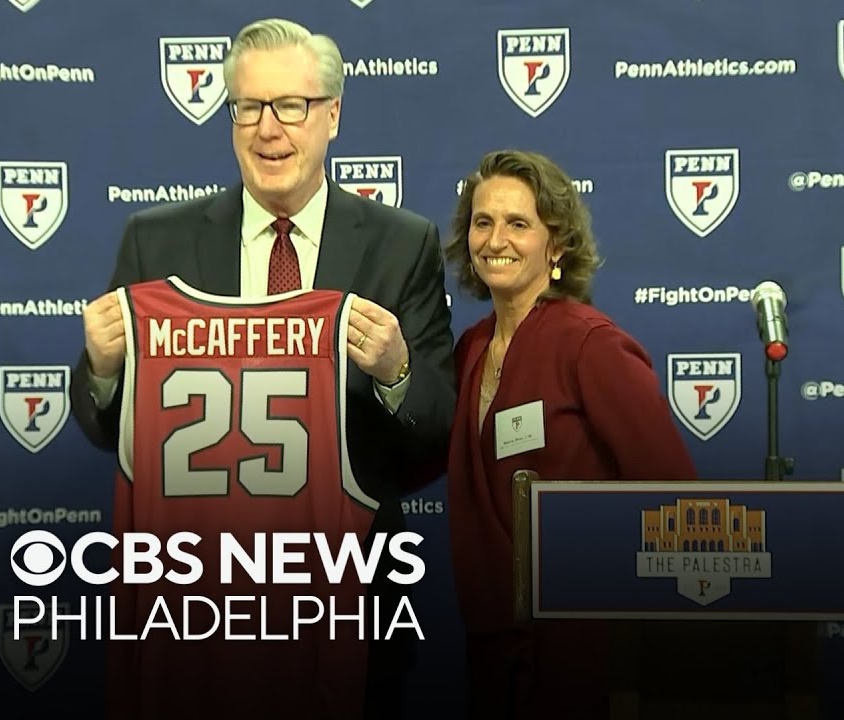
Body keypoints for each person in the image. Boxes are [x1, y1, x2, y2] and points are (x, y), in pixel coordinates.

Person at [67, 18, 456, 719]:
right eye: (248, 107)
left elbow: (437, 431)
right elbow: (105, 426)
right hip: (189, 607)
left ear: (332, 116)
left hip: (347, 605)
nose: (267, 128)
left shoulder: (403, 245)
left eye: (291, 106)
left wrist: (398, 371)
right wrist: (99, 369)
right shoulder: (156, 242)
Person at [444, 149, 697, 718]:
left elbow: (674, 490)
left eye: (518, 224)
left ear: (556, 245)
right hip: (490, 647)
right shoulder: (471, 350)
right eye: (482, 222)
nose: (495, 239)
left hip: (582, 647)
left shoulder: (590, 345)